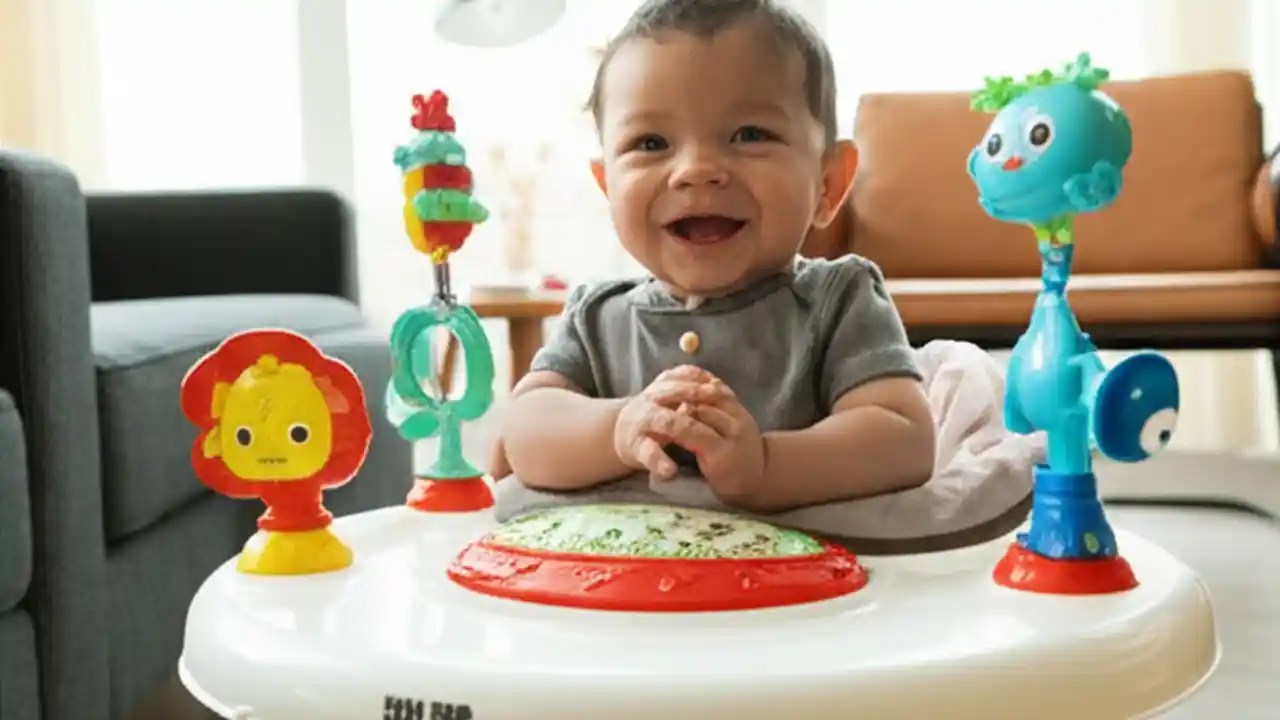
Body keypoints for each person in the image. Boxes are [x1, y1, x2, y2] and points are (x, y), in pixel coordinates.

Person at [491, 0, 935, 514]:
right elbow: (523, 436)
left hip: (797, 589)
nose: (697, 169)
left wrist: (767, 466)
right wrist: (618, 428)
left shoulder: (838, 301)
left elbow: (904, 439)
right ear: (607, 184)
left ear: (828, 182)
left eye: (750, 135)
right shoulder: (597, 317)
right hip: (622, 584)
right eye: (651, 142)